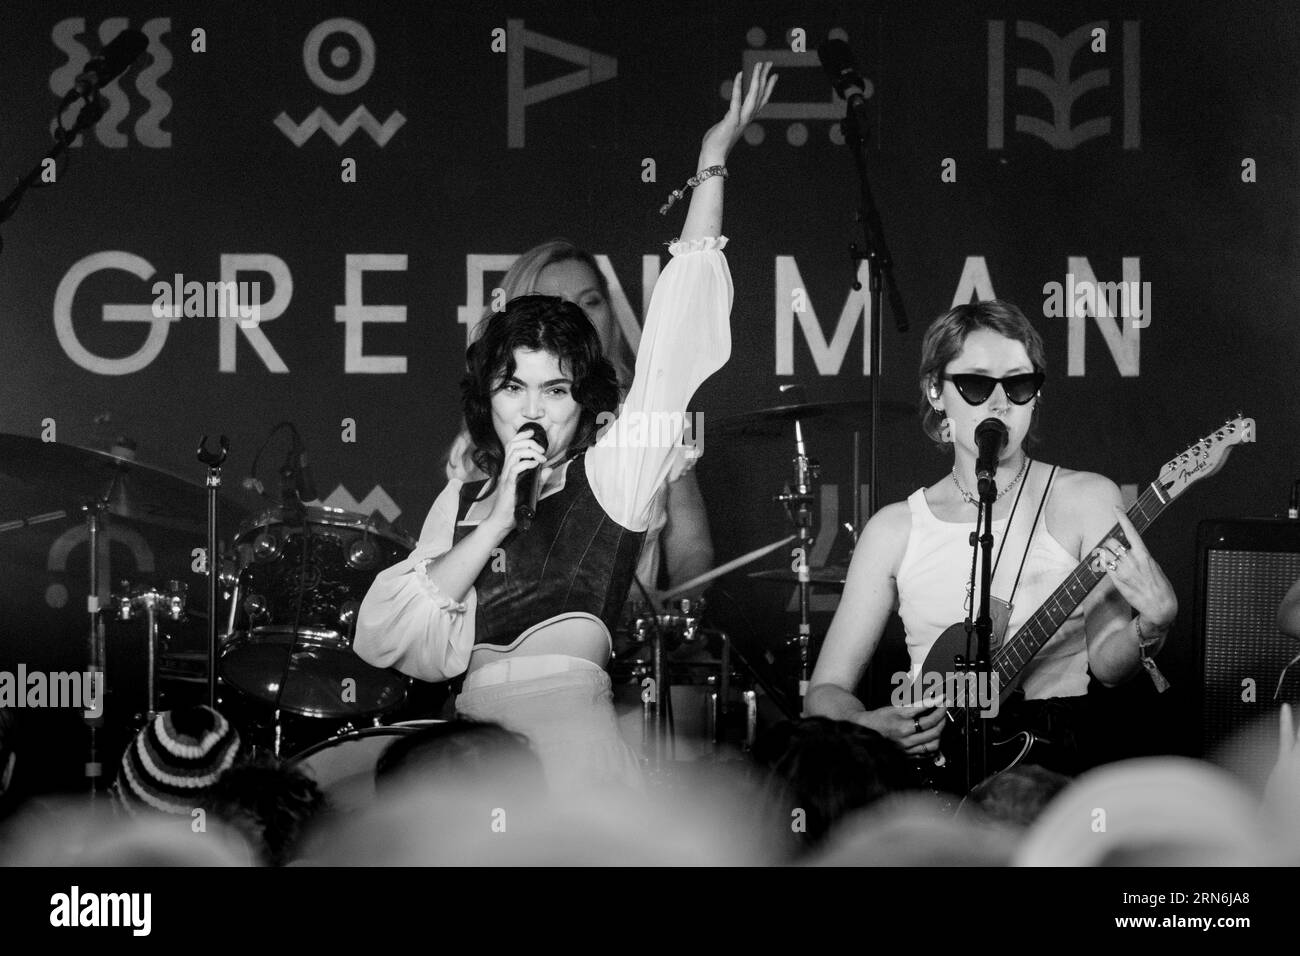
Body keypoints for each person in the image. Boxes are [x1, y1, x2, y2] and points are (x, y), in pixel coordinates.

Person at [355, 63, 777, 792]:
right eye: (512, 387)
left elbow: (675, 344)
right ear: (486, 397)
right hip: (475, 763)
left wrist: (713, 162)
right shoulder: (462, 503)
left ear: (583, 400)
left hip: (580, 758)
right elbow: (393, 640)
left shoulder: (615, 474)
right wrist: (492, 522)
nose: (533, 407)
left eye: (555, 389)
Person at [805, 299, 1179, 777]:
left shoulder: (1087, 498)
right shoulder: (894, 528)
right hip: (933, 771)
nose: (1000, 403)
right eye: (977, 384)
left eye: (1019, 384)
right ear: (935, 390)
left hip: (1048, 755)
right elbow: (825, 690)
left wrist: (1154, 623)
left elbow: (1107, 664)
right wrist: (867, 723)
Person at [446, 240, 715, 599]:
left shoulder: (652, 421)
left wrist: (673, 609)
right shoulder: (491, 435)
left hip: (628, 644)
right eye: (556, 306)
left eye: (591, 301)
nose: (579, 318)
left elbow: (691, 546)